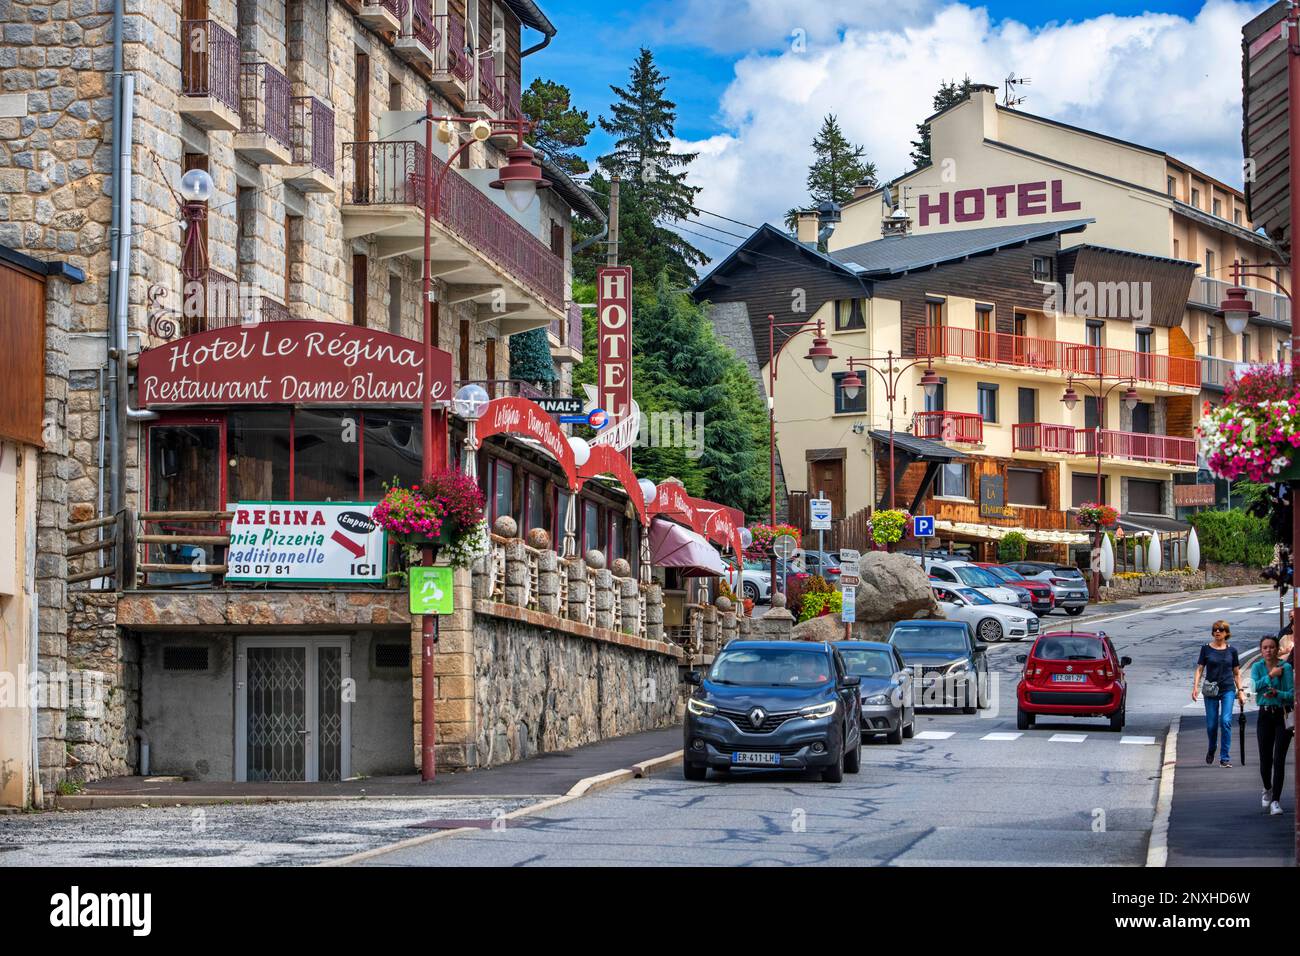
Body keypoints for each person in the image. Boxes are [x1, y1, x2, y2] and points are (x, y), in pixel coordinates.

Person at [1251, 635, 1295, 816]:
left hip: (1282, 715)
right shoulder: (1257, 667)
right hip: (1264, 715)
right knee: (1265, 759)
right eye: (1265, 648)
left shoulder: (1285, 667)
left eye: (1271, 647)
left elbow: (1291, 694)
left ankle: (1275, 800)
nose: (1268, 650)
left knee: (1279, 760)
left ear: (1277, 649)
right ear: (1261, 651)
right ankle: (1267, 788)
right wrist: (1270, 675)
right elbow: (1254, 688)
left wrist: (1277, 693)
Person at [1192, 620, 1243, 767]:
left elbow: (1237, 673)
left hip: (1227, 689)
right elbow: (1200, 669)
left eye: (1221, 630)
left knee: (1226, 722)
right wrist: (1195, 687)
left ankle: (1224, 758)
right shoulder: (1206, 649)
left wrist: (1240, 691)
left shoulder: (1232, 651)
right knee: (1211, 725)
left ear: (1226, 633)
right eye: (1215, 630)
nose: (1217, 632)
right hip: (1211, 691)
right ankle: (1212, 747)